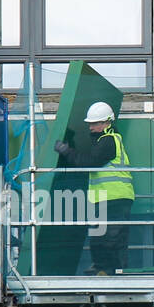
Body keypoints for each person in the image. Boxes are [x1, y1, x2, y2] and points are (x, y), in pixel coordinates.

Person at [53, 102, 134, 275]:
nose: (91, 127)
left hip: (115, 198)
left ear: (107, 122)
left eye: (95, 123)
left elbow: (89, 162)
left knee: (111, 238)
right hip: (106, 197)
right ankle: (103, 269)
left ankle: (111, 271)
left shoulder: (108, 141)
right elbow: (86, 160)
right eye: (90, 123)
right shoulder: (104, 141)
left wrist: (66, 151)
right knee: (100, 236)